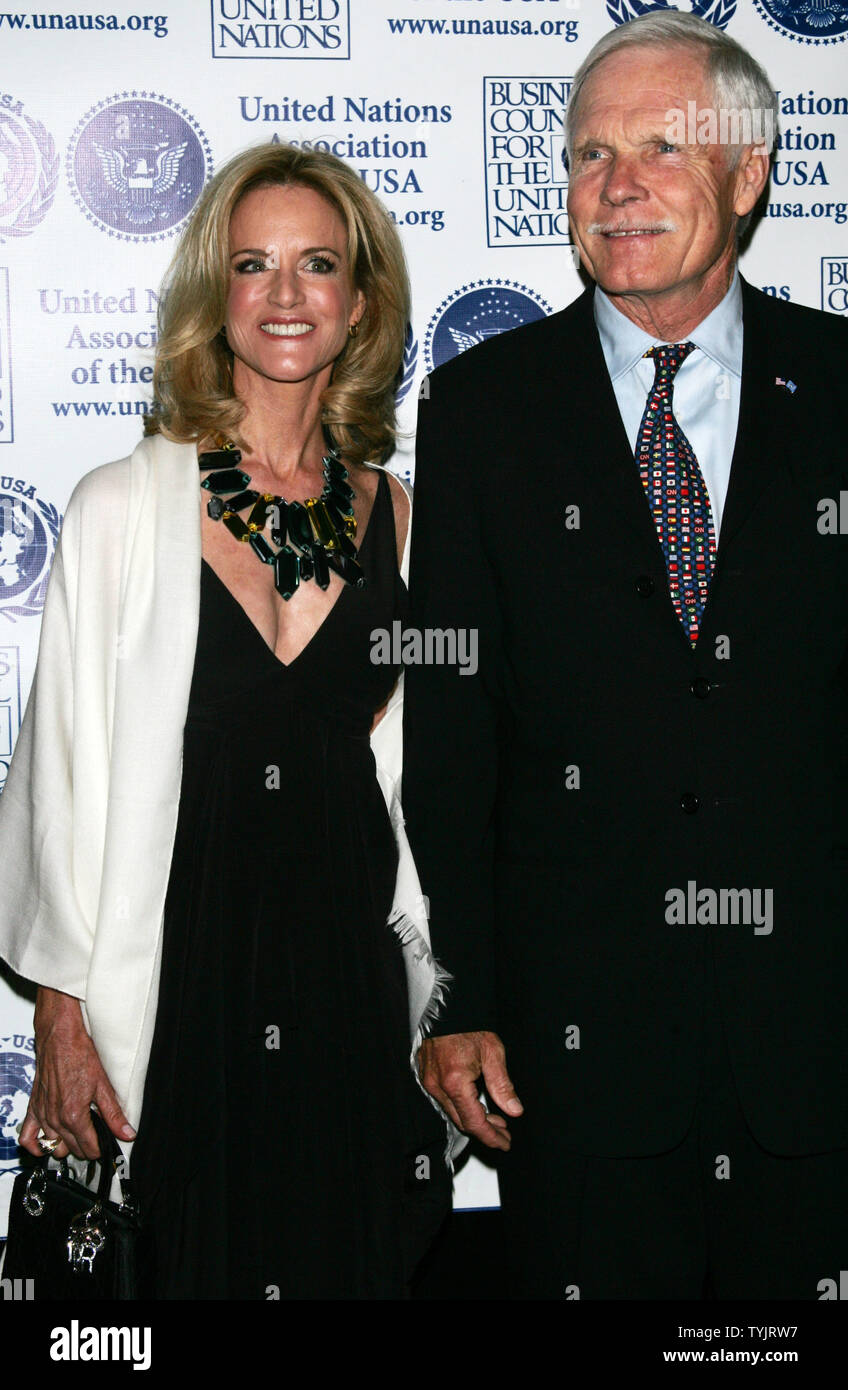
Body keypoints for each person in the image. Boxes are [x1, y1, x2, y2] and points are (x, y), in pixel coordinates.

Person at [404, 11, 848, 1299]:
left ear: (748, 175)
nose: (617, 183)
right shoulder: (483, 409)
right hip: (572, 1052)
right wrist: (463, 998)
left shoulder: (840, 393)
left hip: (812, 1042)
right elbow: (450, 734)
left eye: (661, 144)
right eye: (591, 153)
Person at [0, 142, 453, 1299]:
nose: (286, 295)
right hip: (181, 976)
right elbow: (56, 784)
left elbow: (435, 775)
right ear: (217, 296)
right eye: (253, 265)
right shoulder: (119, 508)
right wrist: (62, 1011)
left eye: (317, 265)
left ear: (361, 303)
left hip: (353, 980)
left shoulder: (406, 517)